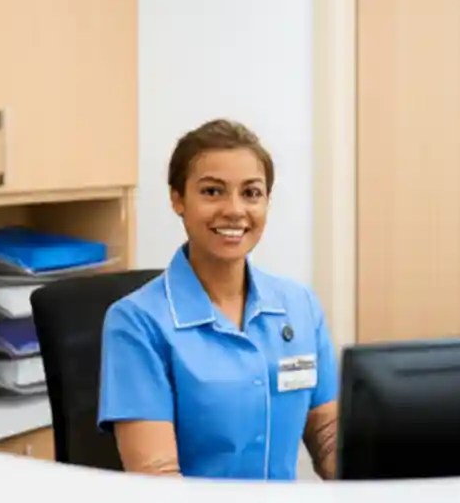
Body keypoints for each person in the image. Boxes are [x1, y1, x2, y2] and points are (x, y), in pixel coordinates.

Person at [97, 119, 339, 480]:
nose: (235, 210)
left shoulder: (299, 306)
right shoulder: (136, 323)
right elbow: (157, 479)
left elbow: (327, 436)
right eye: (213, 192)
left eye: (251, 193)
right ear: (177, 199)